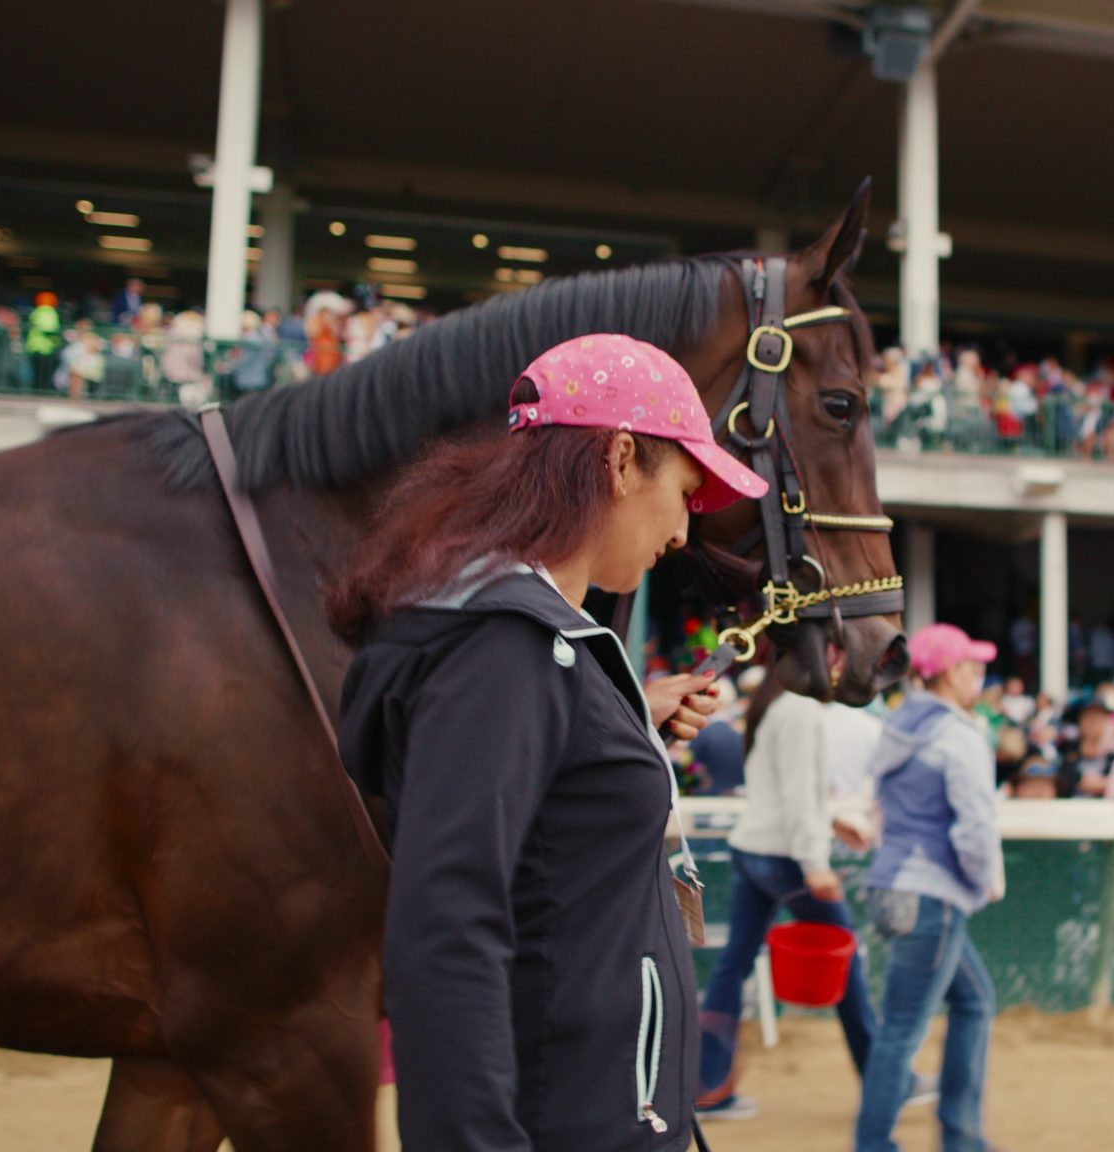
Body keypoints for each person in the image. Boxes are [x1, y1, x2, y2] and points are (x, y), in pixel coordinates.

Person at [327, 333, 767, 1152]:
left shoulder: (532, 645)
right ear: (621, 459)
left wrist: (620, 720)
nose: (685, 529)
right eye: (685, 490)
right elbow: (448, 930)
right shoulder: (501, 648)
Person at [695, 687, 886, 1121]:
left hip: (755, 849)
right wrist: (815, 864)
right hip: (784, 859)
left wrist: (830, 822)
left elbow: (786, 790)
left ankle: (707, 1087)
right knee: (846, 957)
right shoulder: (799, 707)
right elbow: (798, 792)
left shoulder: (777, 702)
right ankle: (884, 1080)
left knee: (733, 965)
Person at [857, 623, 1005, 1152]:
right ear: (947, 672)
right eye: (970, 666)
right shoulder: (959, 735)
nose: (978, 675)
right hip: (931, 896)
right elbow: (975, 826)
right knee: (901, 1031)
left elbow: (875, 802)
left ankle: (962, 1136)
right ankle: (878, 1144)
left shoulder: (899, 724)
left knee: (974, 1000)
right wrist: (984, 881)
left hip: (892, 886)